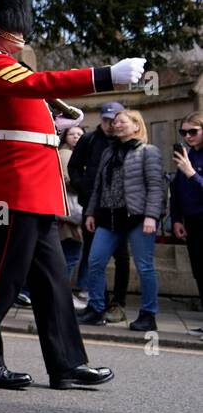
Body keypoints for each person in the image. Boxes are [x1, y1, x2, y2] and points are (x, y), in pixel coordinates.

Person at [0, 0, 136, 390]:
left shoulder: (5, 67)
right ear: (1, 29)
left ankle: (67, 363)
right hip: (12, 190)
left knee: (52, 283)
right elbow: (43, 80)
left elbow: (32, 112)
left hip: (34, 191)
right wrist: (107, 75)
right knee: (2, 279)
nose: (23, 33)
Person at [78, 109, 164, 332]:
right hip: (108, 217)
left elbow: (156, 187)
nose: (116, 125)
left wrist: (151, 216)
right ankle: (96, 309)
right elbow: (98, 185)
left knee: (145, 267)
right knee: (95, 261)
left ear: (136, 125)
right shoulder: (109, 152)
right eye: (115, 122)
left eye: (122, 122)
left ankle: (148, 314)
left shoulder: (148, 151)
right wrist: (90, 212)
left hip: (137, 217)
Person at [69, 101, 132, 322]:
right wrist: (83, 187)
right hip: (92, 206)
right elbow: (74, 166)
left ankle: (118, 303)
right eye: (106, 120)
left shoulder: (125, 143)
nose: (110, 124)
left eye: (114, 120)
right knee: (93, 255)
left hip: (119, 208)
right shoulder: (89, 139)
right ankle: (99, 301)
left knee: (121, 256)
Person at [170, 111, 203, 335]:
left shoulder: (190, 162)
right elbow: (177, 189)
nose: (188, 136)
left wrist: (192, 173)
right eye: (184, 132)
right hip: (192, 221)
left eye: (193, 131)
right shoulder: (189, 154)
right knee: (199, 272)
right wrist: (176, 219)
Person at [58, 124, 87, 301]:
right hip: (69, 213)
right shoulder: (66, 154)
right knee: (70, 255)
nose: (76, 136)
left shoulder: (76, 154)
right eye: (72, 134)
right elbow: (67, 181)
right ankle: (63, 295)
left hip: (69, 212)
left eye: (79, 134)